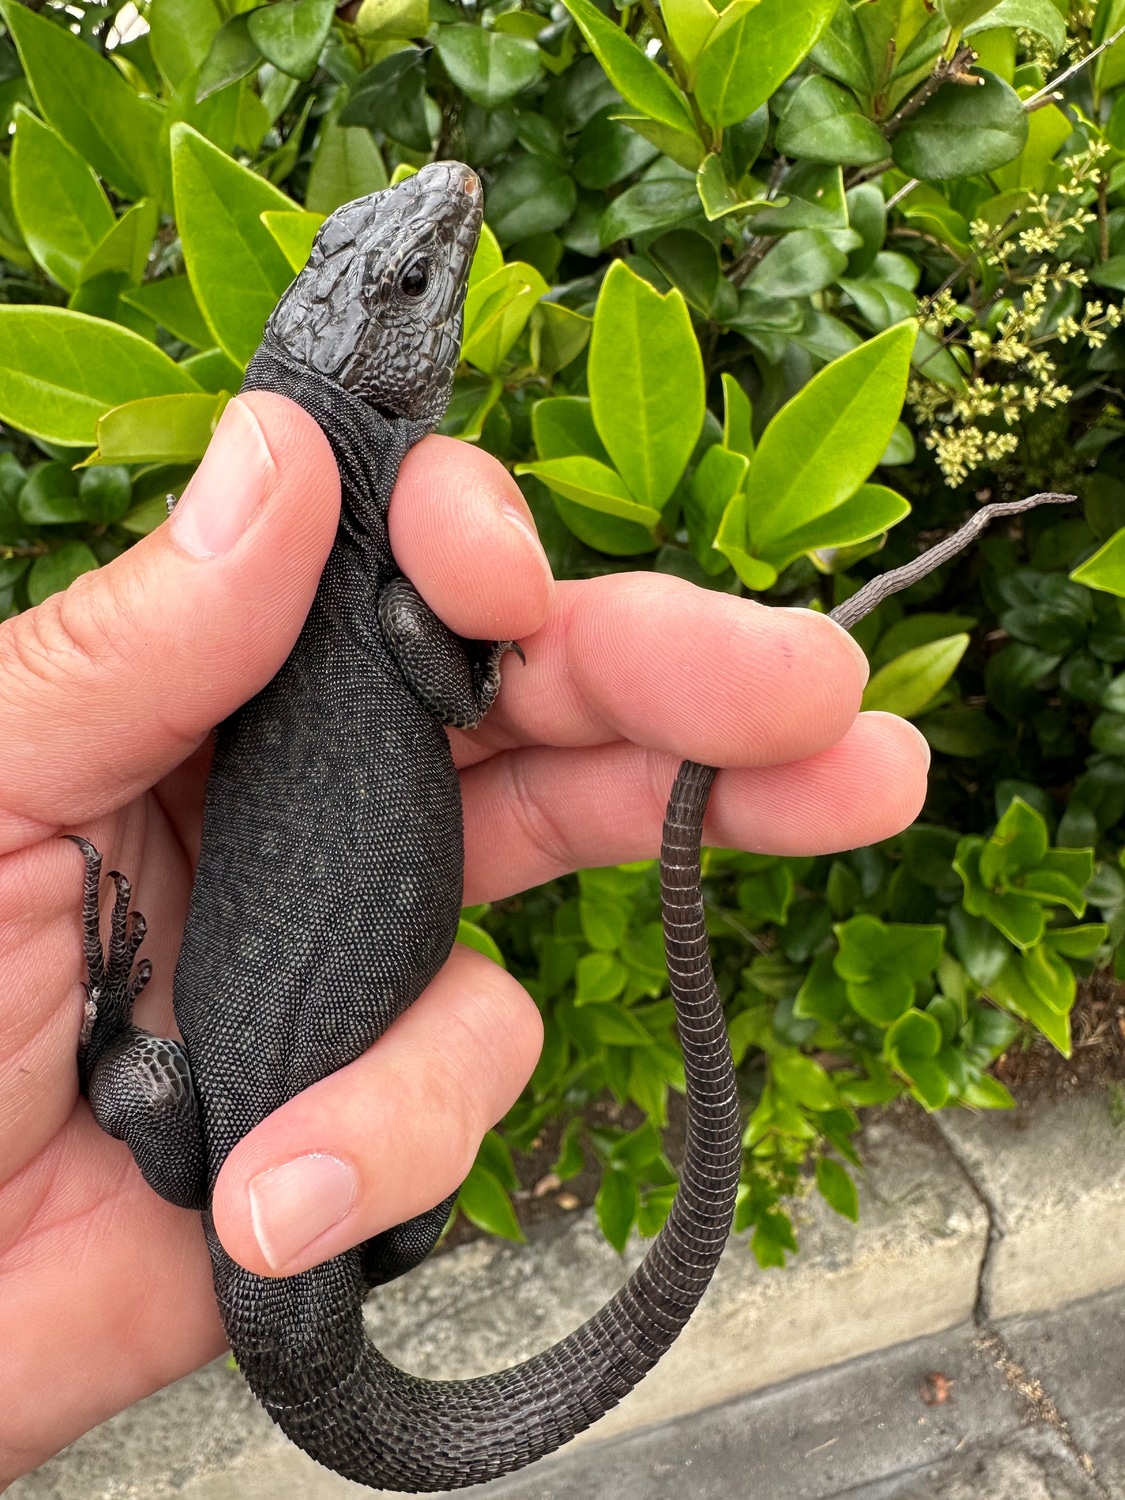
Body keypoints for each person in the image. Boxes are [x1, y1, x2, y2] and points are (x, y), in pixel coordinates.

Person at [0, 393, 928, 1484]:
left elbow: (413, 633)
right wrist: (477, 674)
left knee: (221, 1120)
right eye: (405, 292)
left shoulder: (341, 550)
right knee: (263, 1137)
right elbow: (412, 636)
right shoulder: (349, 553)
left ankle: (360, 1212)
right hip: (251, 1182)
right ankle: (362, 1217)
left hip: (238, 1162)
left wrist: (106, 1019)